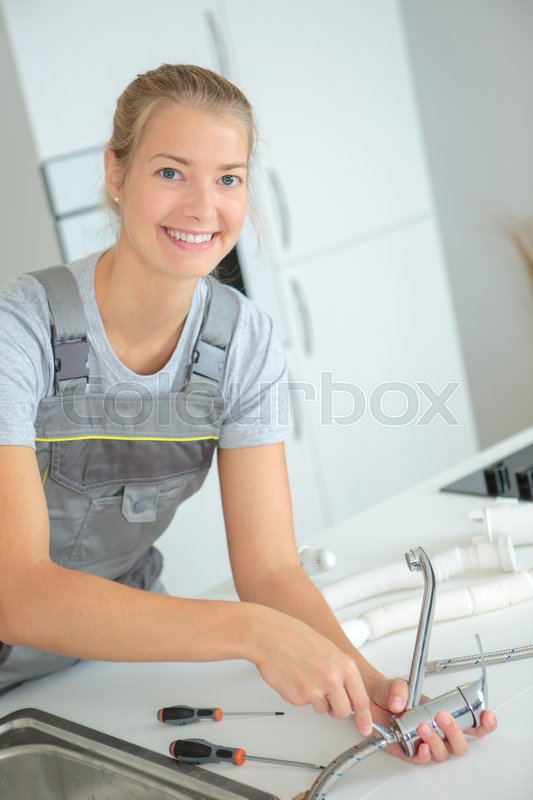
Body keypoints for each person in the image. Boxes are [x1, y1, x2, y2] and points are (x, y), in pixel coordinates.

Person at [0, 63, 495, 763]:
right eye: (171, 172)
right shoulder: (21, 327)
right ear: (116, 175)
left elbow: (268, 571)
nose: (204, 206)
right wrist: (251, 632)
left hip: (104, 668)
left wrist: (378, 695)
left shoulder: (244, 340)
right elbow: (19, 592)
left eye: (228, 177)